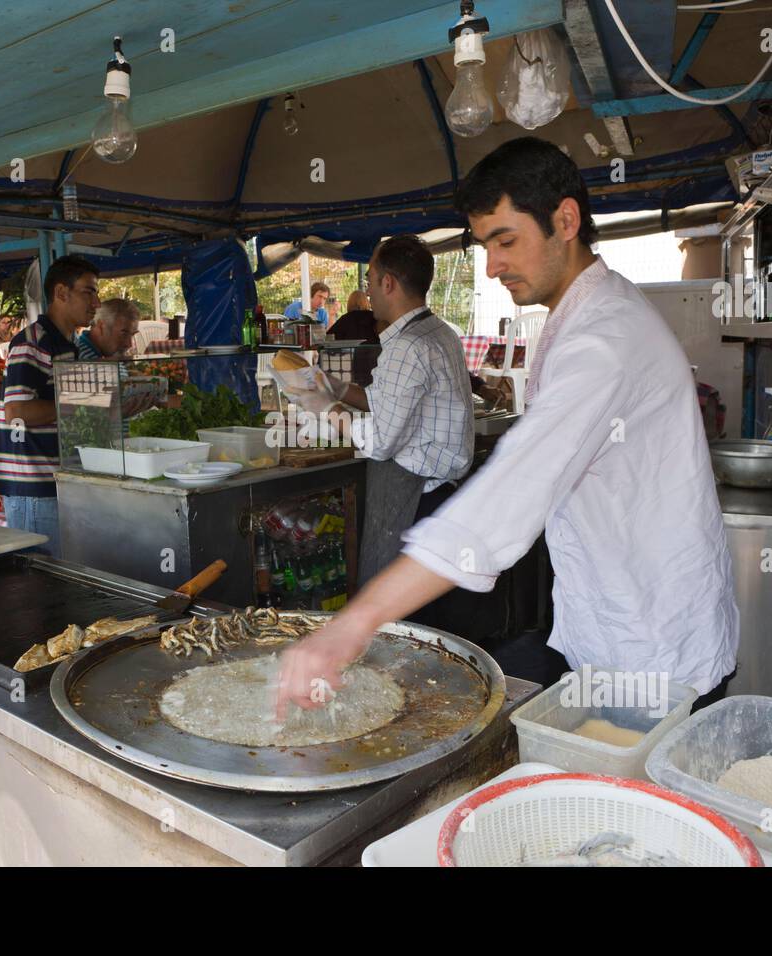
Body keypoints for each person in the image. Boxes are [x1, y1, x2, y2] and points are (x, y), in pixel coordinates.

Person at [277, 136, 739, 719]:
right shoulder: (580, 317)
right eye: (485, 245)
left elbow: (512, 492)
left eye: (506, 240)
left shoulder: (606, 338)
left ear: (565, 220)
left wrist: (354, 623)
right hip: (611, 631)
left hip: (653, 654)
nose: (492, 266)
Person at [325, 234, 473, 587]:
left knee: (404, 622)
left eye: (370, 281)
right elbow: (387, 402)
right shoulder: (439, 332)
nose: (369, 291)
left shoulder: (407, 345)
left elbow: (380, 441)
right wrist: (340, 389)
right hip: (441, 497)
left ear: (387, 282)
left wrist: (327, 409)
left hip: (417, 503)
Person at [0, 255, 99, 556]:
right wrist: (88, 401)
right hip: (33, 486)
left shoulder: (69, 345)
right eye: (88, 291)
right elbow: (17, 413)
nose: (96, 302)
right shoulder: (32, 342)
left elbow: (70, 408)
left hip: (56, 480)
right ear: (62, 293)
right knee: (41, 583)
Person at [325, 289, 380, 388]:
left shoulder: (345, 319)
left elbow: (328, 339)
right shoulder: (375, 319)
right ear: (366, 302)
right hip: (374, 364)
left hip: (348, 368)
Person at [75, 298, 141, 360]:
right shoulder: (86, 362)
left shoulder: (84, 350)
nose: (129, 344)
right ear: (101, 326)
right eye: (124, 334)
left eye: (132, 335)